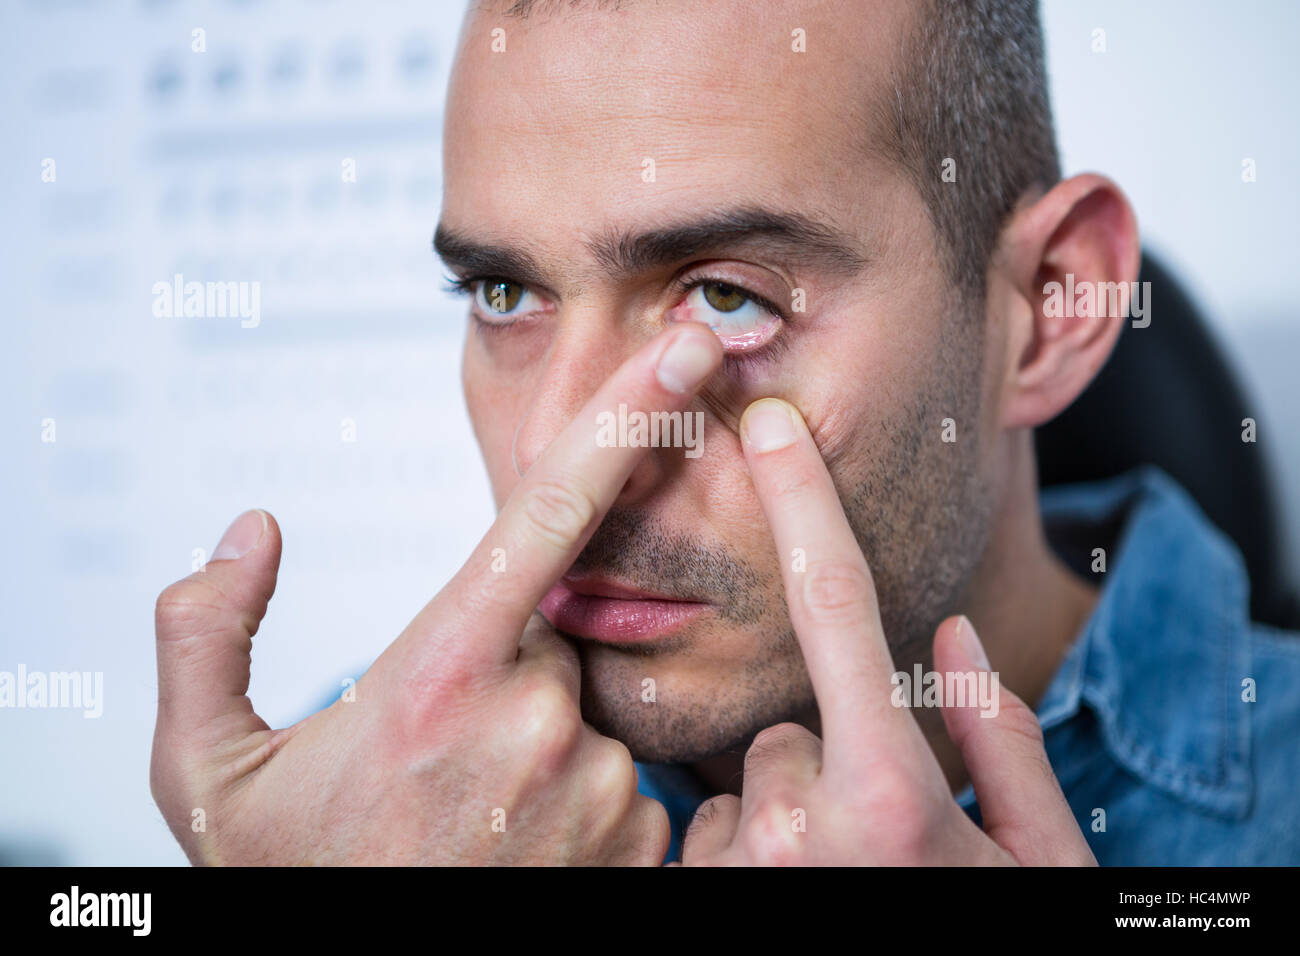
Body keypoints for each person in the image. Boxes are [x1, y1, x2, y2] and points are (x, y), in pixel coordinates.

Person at [150, 0, 1300, 865]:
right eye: (504, 292)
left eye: (724, 297)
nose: (563, 450)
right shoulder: (367, 807)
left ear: (1047, 307)